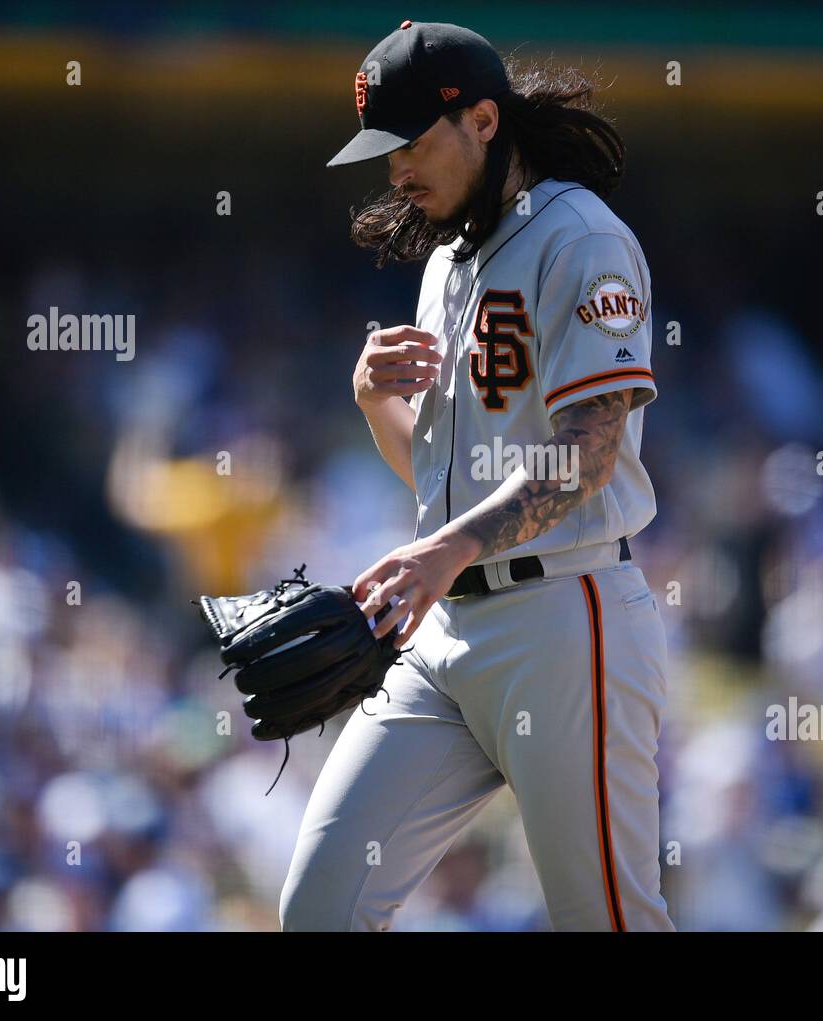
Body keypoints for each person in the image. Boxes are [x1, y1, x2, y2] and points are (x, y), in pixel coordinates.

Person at [280, 19, 673, 931]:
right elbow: (443, 477)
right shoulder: (447, 261)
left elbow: (587, 453)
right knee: (320, 910)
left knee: (606, 920)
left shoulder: (583, 238)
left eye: (413, 143)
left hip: (566, 623)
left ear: (484, 121)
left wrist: (443, 551)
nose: (398, 173)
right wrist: (375, 402)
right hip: (448, 633)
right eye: (386, 152)